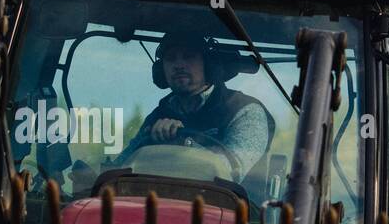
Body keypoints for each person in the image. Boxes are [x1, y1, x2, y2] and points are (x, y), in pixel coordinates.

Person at [114, 30, 273, 183]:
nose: (178, 65)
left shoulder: (244, 111)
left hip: (229, 207)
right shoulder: (158, 115)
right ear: (160, 71)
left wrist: (182, 142)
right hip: (154, 203)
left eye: (189, 56)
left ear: (209, 64)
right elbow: (119, 168)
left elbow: (229, 172)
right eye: (170, 58)